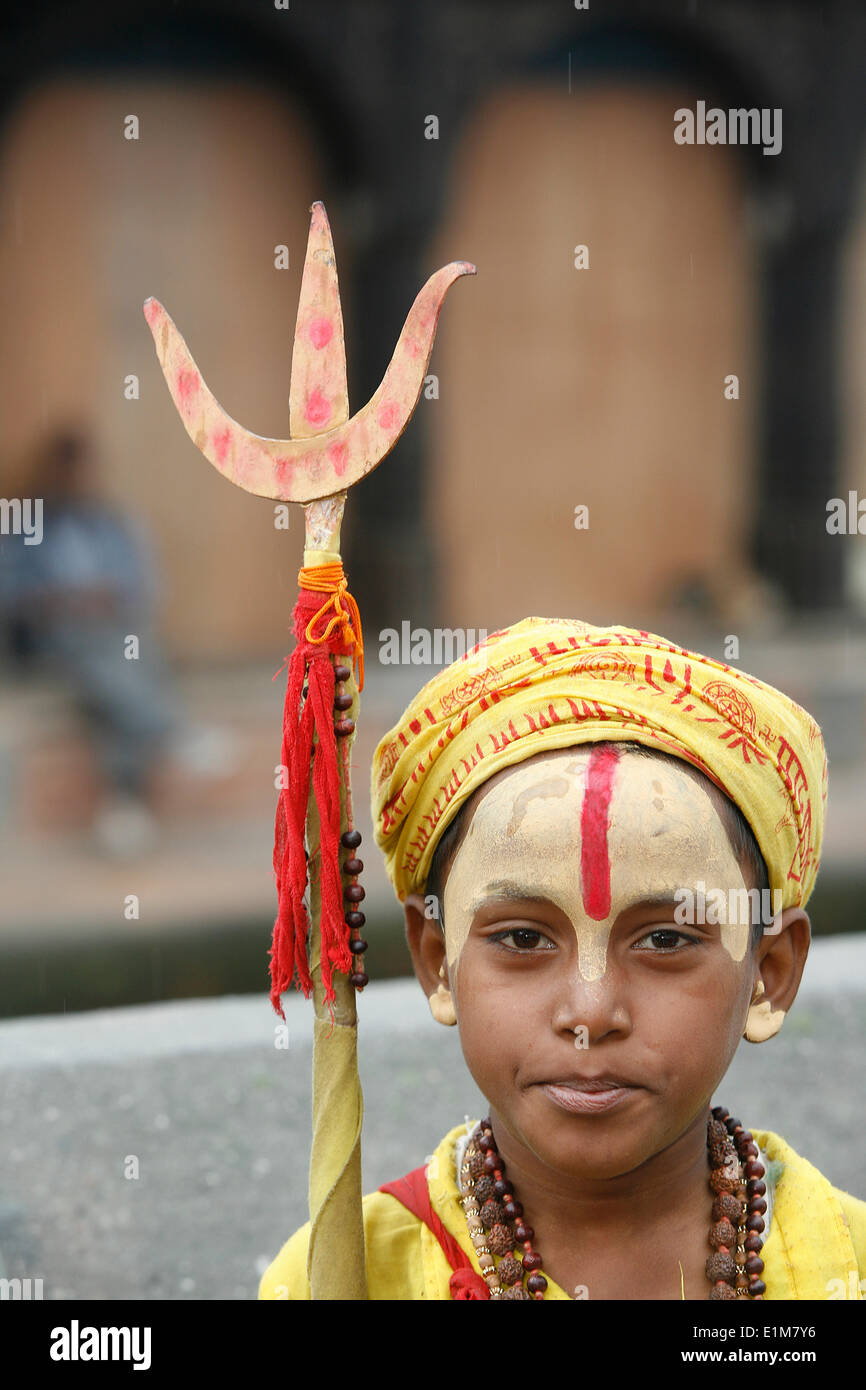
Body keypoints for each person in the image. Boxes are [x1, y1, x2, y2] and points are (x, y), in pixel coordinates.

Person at [258, 615, 866, 1300]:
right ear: (436, 960)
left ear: (770, 974)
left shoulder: (844, 1262)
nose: (590, 1012)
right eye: (522, 939)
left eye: (665, 940)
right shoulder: (348, 1275)